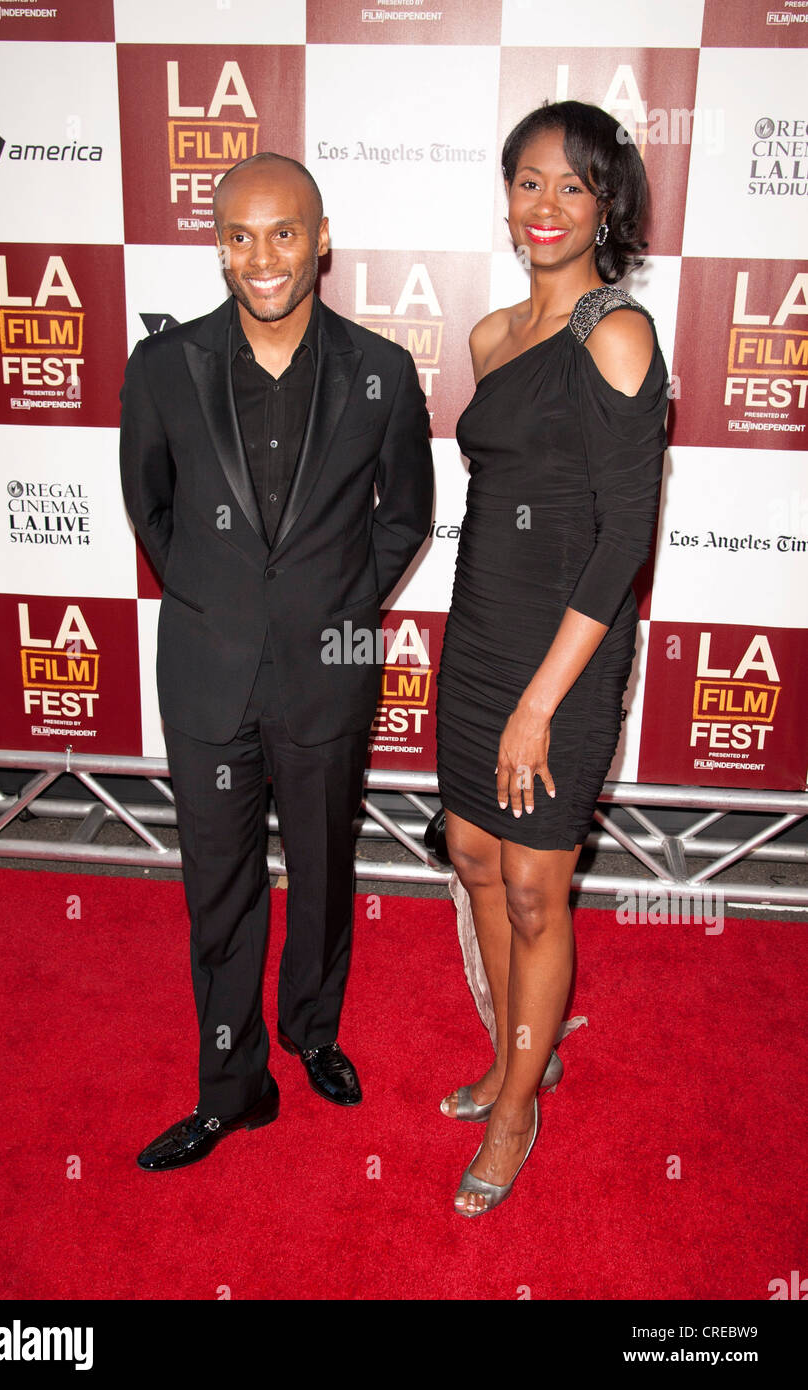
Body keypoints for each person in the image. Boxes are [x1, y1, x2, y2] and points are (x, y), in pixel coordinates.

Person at [120, 153, 433, 1172]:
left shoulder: (380, 373)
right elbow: (152, 510)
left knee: (324, 867)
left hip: (326, 671)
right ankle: (230, 1083)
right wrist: (222, 602)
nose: (263, 257)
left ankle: (312, 1030)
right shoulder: (162, 369)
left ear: (321, 239)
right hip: (208, 671)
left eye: (284, 233)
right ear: (218, 246)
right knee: (217, 884)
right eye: (240, 236)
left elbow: (408, 515)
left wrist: (333, 605)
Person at [436, 101, 669, 1215]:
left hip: (564, 656)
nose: (544, 205)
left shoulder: (614, 334)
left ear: (604, 206)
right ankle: (513, 1052)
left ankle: (520, 1107)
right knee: (475, 858)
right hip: (477, 629)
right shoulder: (487, 337)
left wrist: (536, 703)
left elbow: (623, 538)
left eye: (570, 186)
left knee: (534, 885)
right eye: (527, 181)